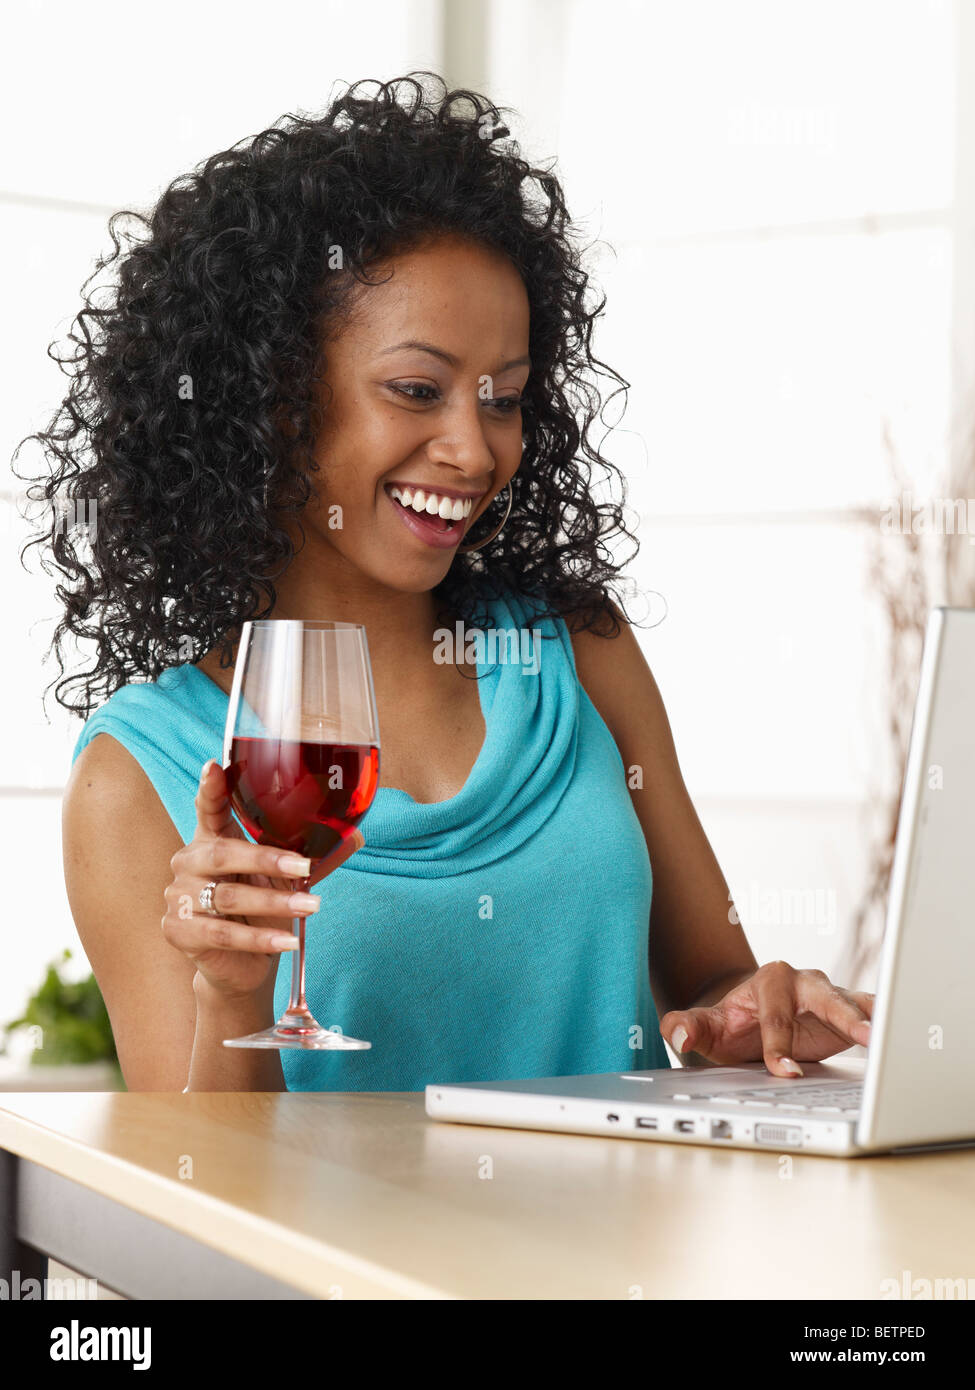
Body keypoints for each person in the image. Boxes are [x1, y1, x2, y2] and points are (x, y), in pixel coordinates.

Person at [21, 74, 873, 1092]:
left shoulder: (575, 649)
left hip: (623, 1249)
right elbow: (202, 1201)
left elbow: (712, 980)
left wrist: (756, 1013)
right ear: (276, 396)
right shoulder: (137, 775)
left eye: (504, 399)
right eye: (416, 391)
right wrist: (232, 991)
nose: (474, 451)